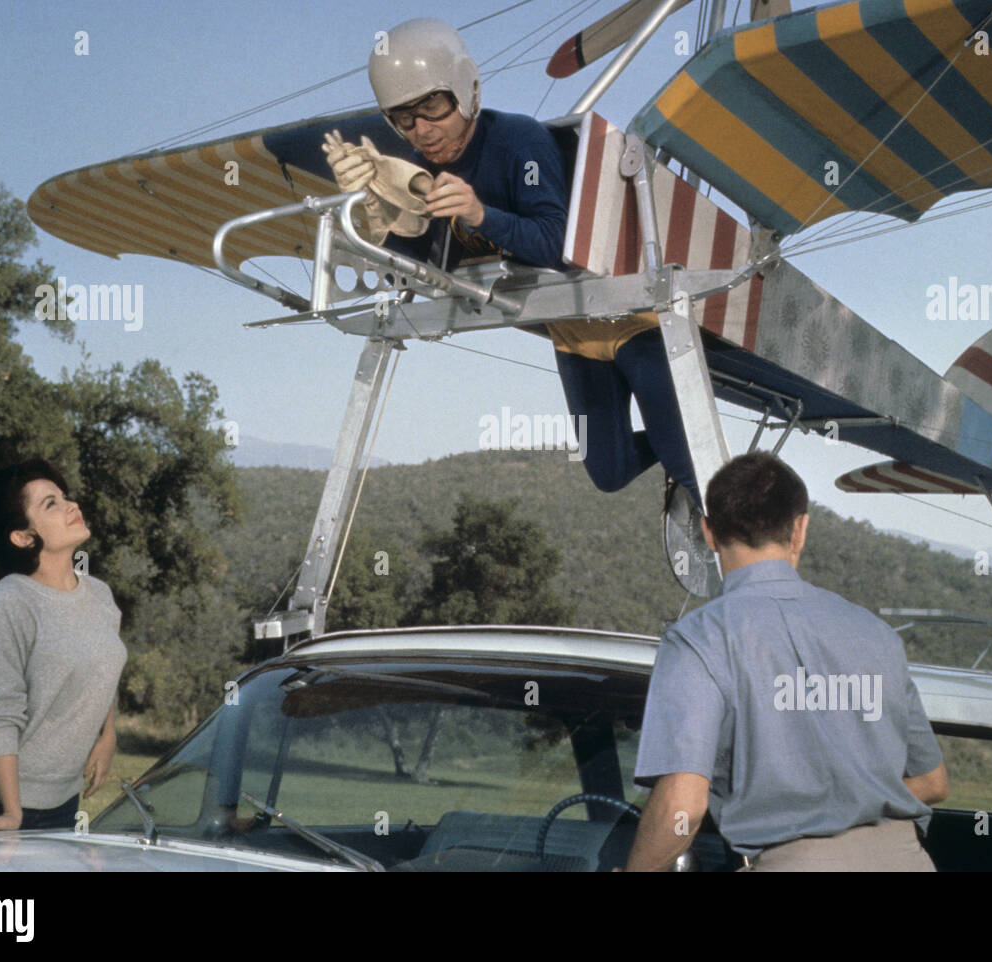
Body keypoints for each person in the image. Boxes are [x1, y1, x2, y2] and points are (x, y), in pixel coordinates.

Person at [322, 18, 704, 570]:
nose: (422, 130)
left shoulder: (519, 138)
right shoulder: (418, 170)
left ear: (468, 91)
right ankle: (678, 449)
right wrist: (378, 216)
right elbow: (421, 270)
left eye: (433, 107)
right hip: (572, 330)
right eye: (403, 119)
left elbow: (553, 242)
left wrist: (479, 212)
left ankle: (708, 495)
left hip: (630, 316)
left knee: (686, 458)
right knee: (610, 471)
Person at [624, 451, 949, 871]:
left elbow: (682, 806)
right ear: (800, 528)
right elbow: (932, 782)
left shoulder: (699, 640)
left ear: (707, 532)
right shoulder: (876, 634)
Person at [0, 458, 127, 833]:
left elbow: (103, 667)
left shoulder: (100, 595)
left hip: (62, 801)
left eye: (64, 497)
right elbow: (0, 715)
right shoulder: (9, 603)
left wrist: (108, 735)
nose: (71, 506)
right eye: (50, 504)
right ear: (23, 536)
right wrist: (12, 813)